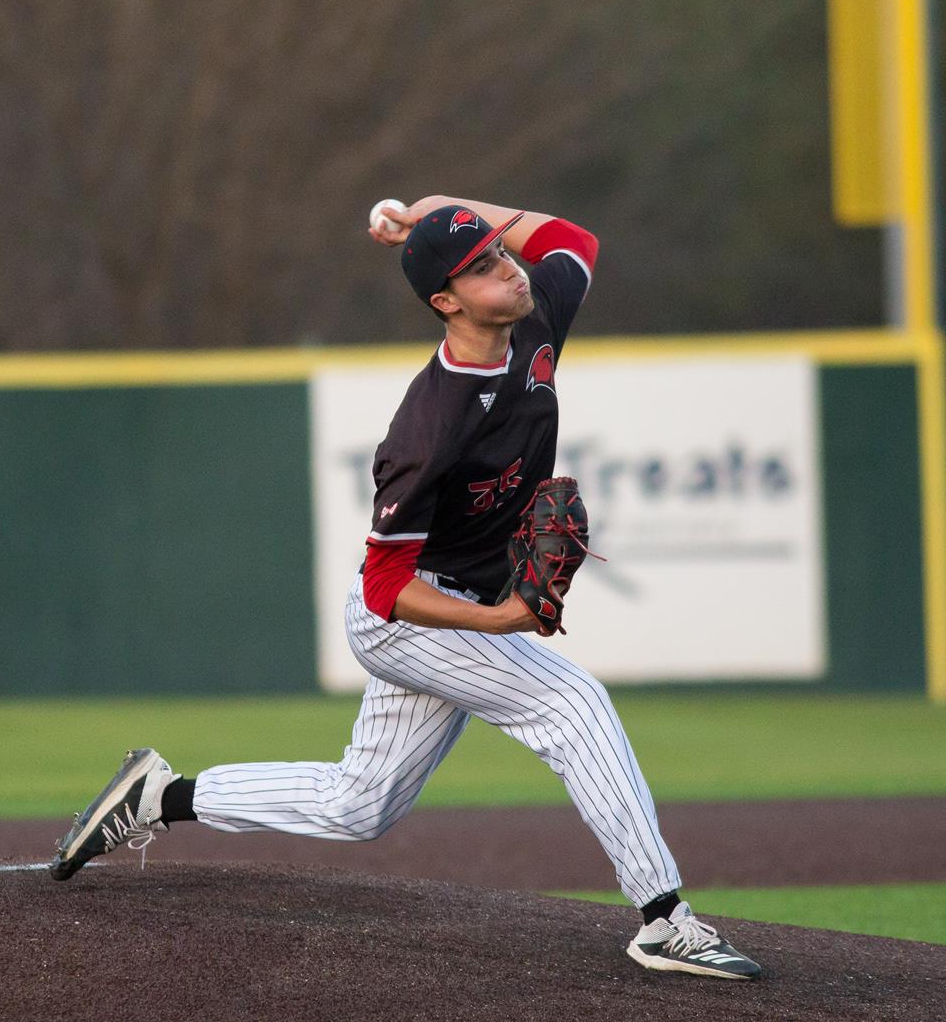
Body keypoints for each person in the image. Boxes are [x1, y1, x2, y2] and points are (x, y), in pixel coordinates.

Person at [48, 195, 761, 979]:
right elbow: (385, 586)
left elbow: (571, 238)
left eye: (500, 252)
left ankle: (159, 797)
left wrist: (437, 205)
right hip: (410, 615)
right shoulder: (429, 425)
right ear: (445, 302)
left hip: (449, 610)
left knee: (361, 806)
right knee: (571, 705)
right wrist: (497, 620)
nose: (510, 268)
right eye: (483, 266)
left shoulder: (534, 320)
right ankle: (663, 919)